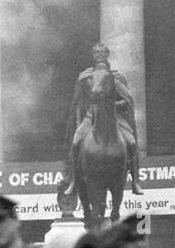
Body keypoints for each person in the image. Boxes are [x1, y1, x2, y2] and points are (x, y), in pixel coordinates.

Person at [61, 43, 143, 197]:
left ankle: (135, 181)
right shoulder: (85, 76)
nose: (99, 54)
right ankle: (73, 179)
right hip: (91, 115)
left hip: (114, 116)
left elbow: (127, 100)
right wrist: (81, 119)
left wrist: (111, 105)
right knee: (76, 140)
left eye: (102, 52)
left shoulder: (118, 76)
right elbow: (79, 101)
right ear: (93, 55)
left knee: (131, 141)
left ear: (107, 54)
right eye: (96, 52)